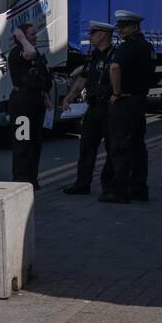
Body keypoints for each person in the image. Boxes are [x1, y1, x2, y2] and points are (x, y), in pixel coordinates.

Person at [102, 10, 157, 204]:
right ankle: (139, 188)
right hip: (140, 100)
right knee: (138, 146)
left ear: (135, 27)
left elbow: (115, 67)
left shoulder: (128, 47)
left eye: (124, 27)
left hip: (125, 101)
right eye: (119, 27)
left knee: (121, 146)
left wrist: (116, 93)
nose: (120, 30)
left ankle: (119, 191)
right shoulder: (148, 47)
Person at [60, 21, 115, 195]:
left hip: (109, 108)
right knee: (86, 147)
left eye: (92, 33)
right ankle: (82, 184)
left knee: (112, 149)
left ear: (103, 35)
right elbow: (83, 78)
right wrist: (69, 97)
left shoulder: (115, 55)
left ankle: (109, 187)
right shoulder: (93, 55)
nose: (89, 36)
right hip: (93, 107)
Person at [7, 22, 52, 189]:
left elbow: (42, 76)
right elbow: (30, 52)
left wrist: (46, 97)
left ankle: (32, 178)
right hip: (22, 103)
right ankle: (21, 178)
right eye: (32, 34)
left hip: (35, 101)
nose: (36, 37)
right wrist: (21, 37)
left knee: (35, 142)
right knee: (22, 140)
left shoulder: (36, 52)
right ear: (23, 37)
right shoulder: (18, 52)